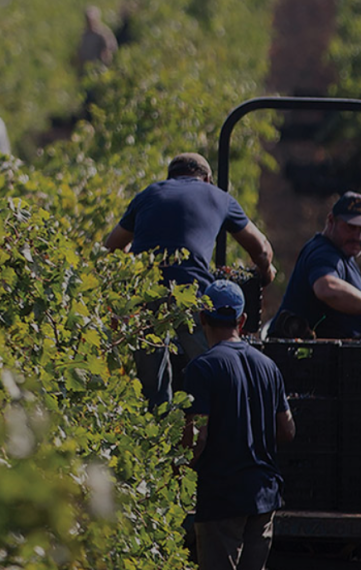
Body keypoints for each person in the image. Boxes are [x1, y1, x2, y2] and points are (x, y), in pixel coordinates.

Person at [103, 152, 276, 409]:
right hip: (191, 294)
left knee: (153, 384)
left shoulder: (148, 194)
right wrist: (266, 271)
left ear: (170, 178)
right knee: (212, 368)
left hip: (143, 293)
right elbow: (261, 248)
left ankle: (160, 437)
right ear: (207, 179)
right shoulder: (218, 196)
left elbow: (111, 247)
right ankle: (217, 428)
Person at [183, 279, 295, 570]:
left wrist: (177, 470)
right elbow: (287, 431)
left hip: (222, 496)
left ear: (203, 318)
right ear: (242, 321)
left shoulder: (201, 369)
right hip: (263, 494)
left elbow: (197, 438)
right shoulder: (267, 366)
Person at [276, 192, 361, 339]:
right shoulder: (323, 252)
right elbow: (326, 288)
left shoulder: (345, 257)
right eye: (351, 227)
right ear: (331, 221)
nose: (358, 237)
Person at [72, 5, 118, 74]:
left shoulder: (104, 32)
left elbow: (111, 50)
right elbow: (80, 51)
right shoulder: (84, 34)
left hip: (99, 69)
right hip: (85, 70)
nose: (89, 22)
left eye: (91, 20)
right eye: (87, 20)